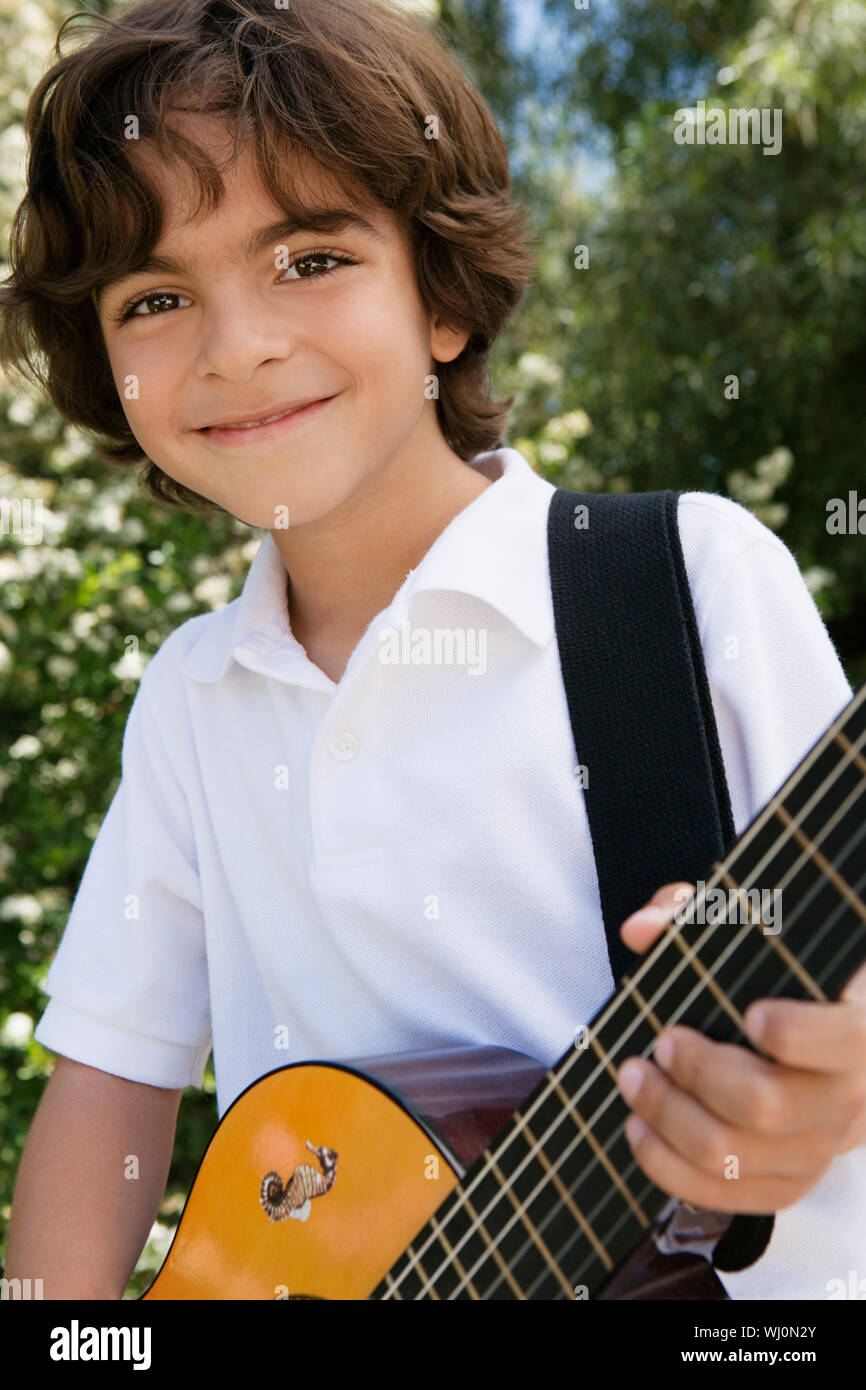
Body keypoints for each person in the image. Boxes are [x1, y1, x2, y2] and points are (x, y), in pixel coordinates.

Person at [2, 0, 864, 1301]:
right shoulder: (191, 697)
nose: (239, 347)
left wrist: (828, 1072)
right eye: (157, 296)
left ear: (444, 301)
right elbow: (105, 1088)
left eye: (307, 259)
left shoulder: (686, 577)